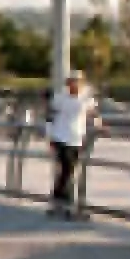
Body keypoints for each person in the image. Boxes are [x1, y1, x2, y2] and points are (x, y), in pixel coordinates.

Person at [46, 70, 101, 217]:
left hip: (76, 138)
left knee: (69, 171)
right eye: (72, 82)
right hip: (60, 136)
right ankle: (65, 202)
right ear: (68, 83)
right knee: (67, 170)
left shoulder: (86, 97)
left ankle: (59, 200)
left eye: (77, 82)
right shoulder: (60, 98)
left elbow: (93, 112)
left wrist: (98, 123)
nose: (74, 85)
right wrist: (49, 135)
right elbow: (50, 116)